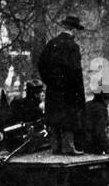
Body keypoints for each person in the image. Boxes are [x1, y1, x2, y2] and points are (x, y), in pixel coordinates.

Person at [36, 14, 86, 154]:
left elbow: (41, 64)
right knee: (69, 117)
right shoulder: (72, 46)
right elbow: (75, 71)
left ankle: (55, 147)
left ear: (64, 27)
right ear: (74, 30)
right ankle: (68, 148)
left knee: (54, 116)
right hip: (69, 90)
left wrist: (50, 81)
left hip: (54, 89)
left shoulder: (52, 44)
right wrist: (78, 90)